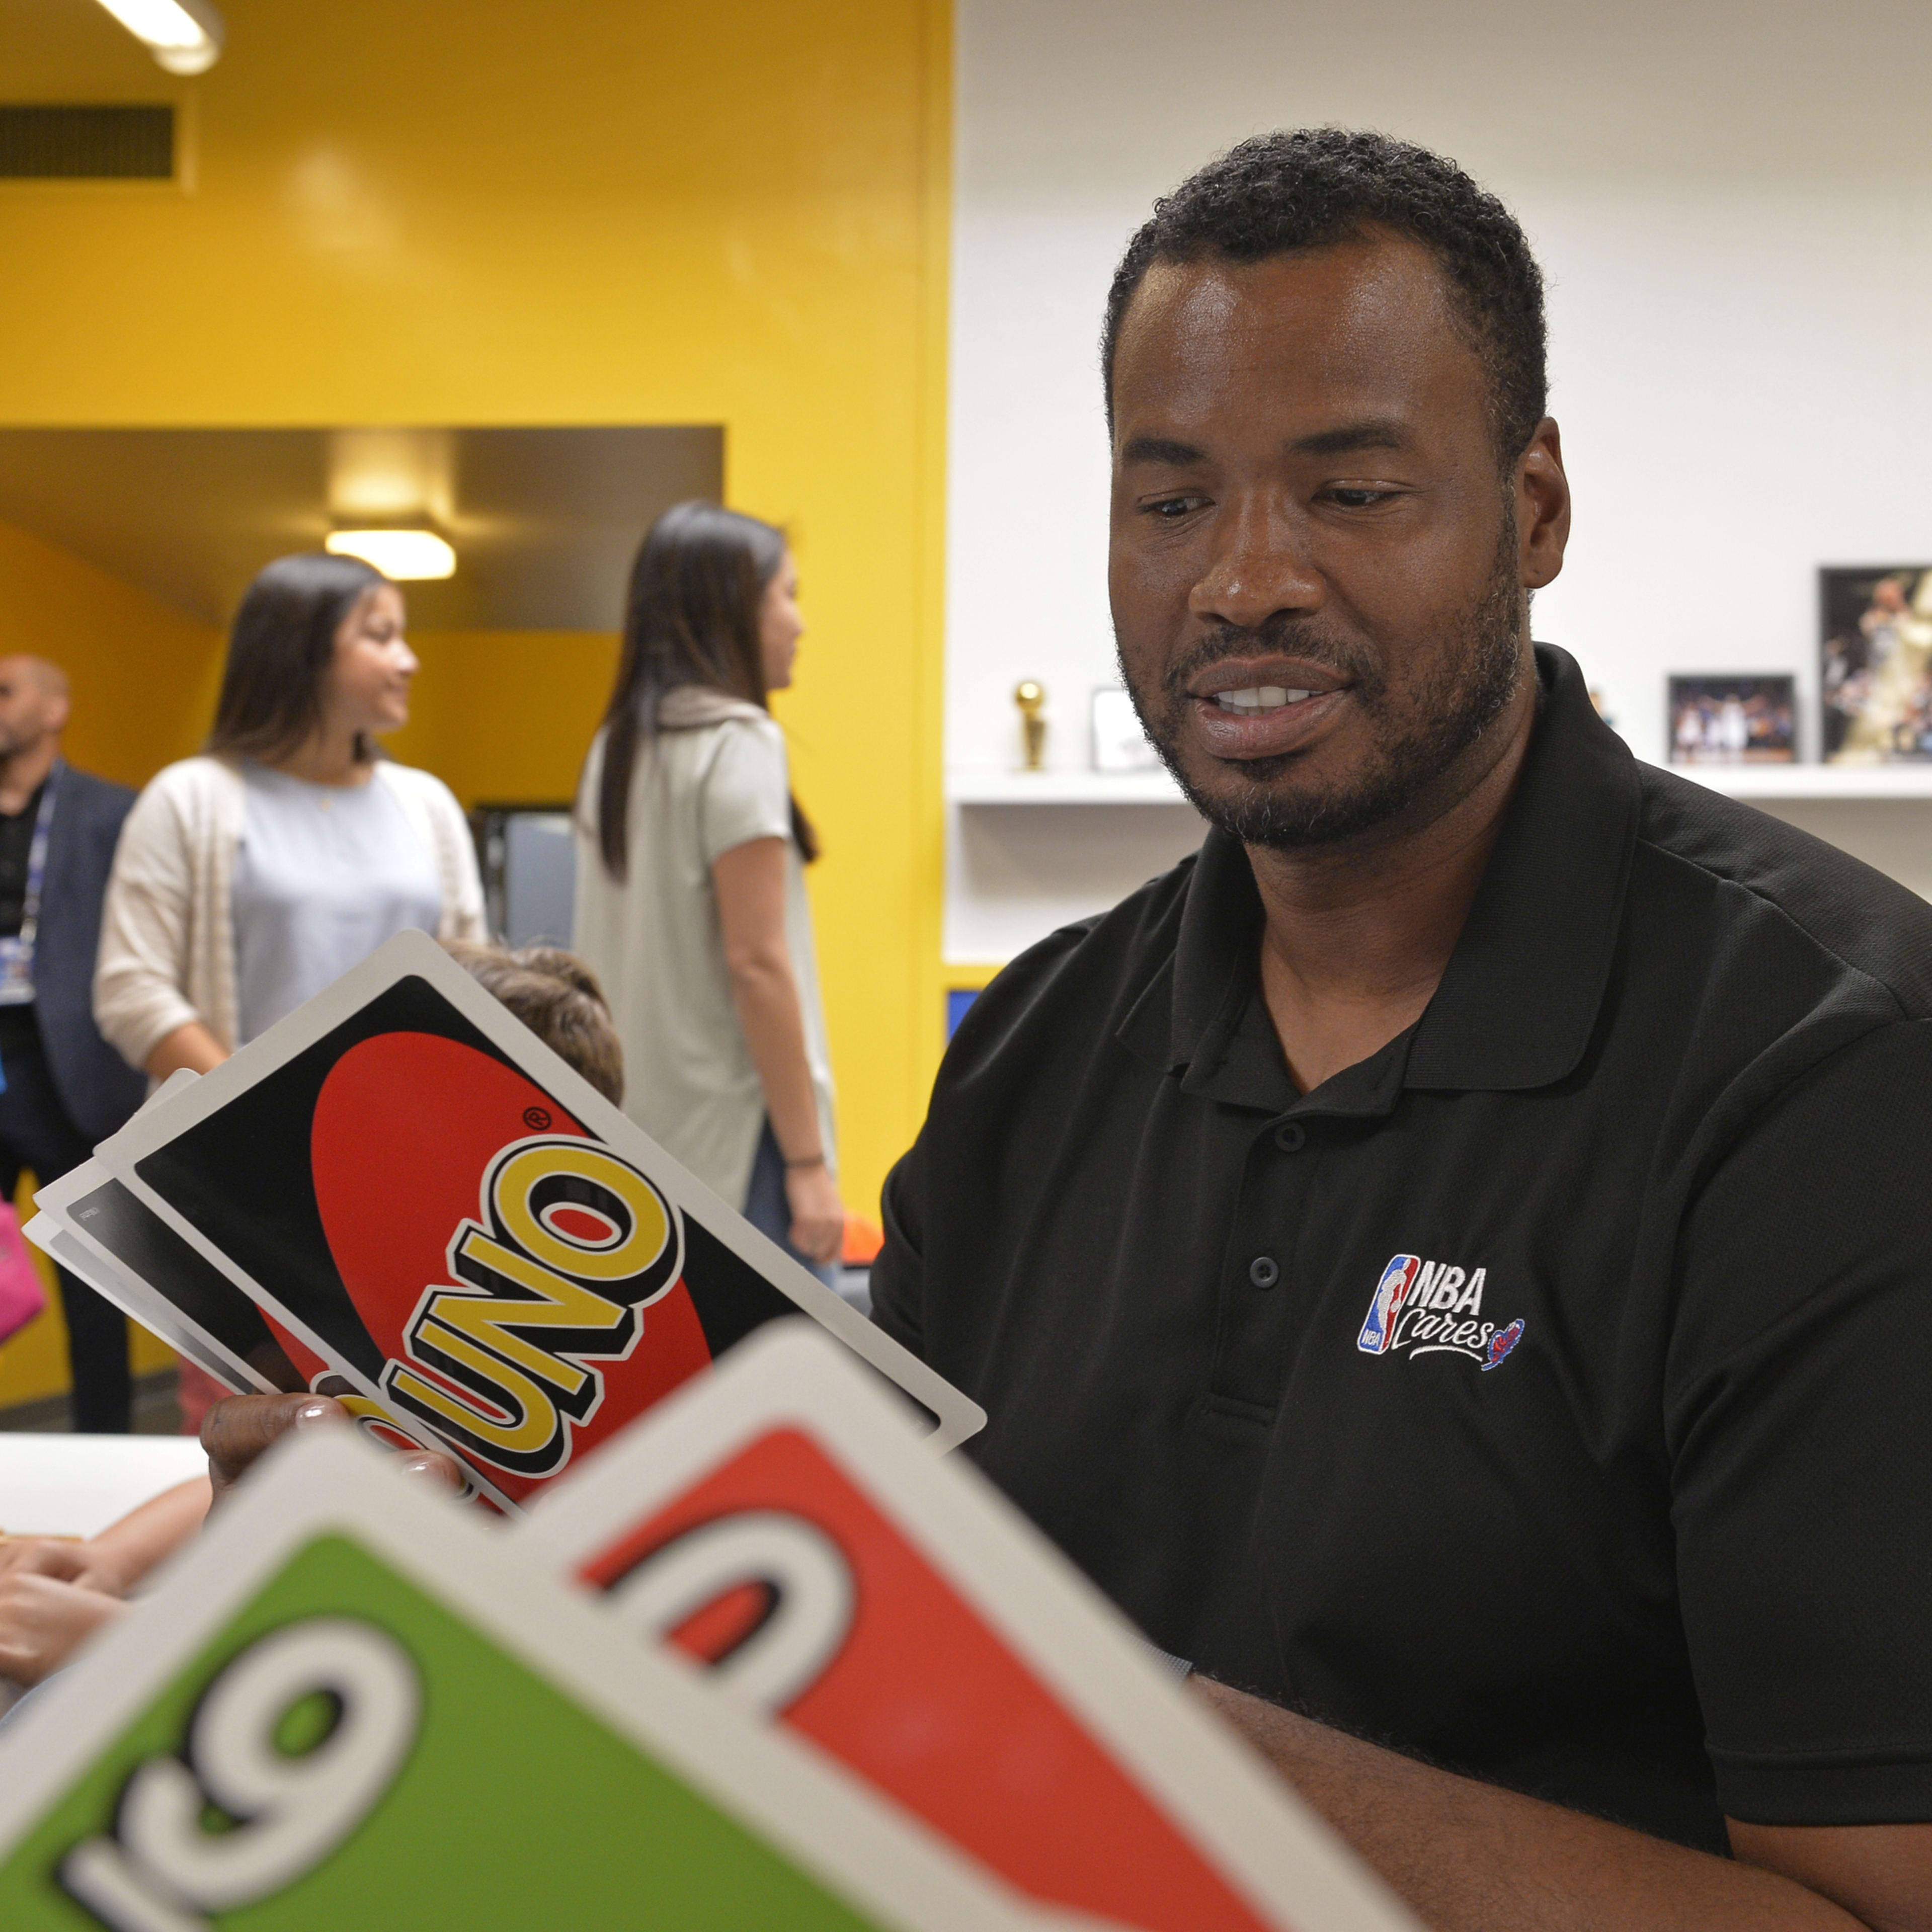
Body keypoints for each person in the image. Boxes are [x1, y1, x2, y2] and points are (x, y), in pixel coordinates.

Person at [867, 132, 1932, 1926]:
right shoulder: (1031, 1052)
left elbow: (1870, 1909)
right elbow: (859, 1671)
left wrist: (1114, 1726)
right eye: (1172, 497)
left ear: (1534, 509)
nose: (1242, 582)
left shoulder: (1834, 1070)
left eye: (1350, 492)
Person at [0, 941, 623, 1692]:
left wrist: (123, 1642)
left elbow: (424, 1646)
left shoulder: (547, 1384)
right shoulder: (386, 1305)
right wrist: (113, 1559)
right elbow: (318, 1450)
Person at [94, 552, 486, 1430]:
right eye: (381, 635)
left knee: (413, 1420)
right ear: (302, 650)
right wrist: (258, 1122)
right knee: (254, 1419)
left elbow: (474, 981)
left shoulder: (424, 806)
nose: (409, 658)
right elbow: (132, 987)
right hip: (242, 1179)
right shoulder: (191, 798)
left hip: (409, 1174)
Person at [572, 501, 843, 1285]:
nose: (800, 622)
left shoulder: (617, 749)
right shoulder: (737, 742)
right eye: (787, 595)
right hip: (742, 1147)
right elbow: (756, 964)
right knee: (799, 1392)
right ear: (731, 608)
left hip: (636, 1142)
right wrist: (808, 1163)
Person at [0, 657, 147, 1430]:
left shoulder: (113, 814)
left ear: (55, 709)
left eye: (5, 690)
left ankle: (108, 1449)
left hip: (74, 1077)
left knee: (95, 1288)